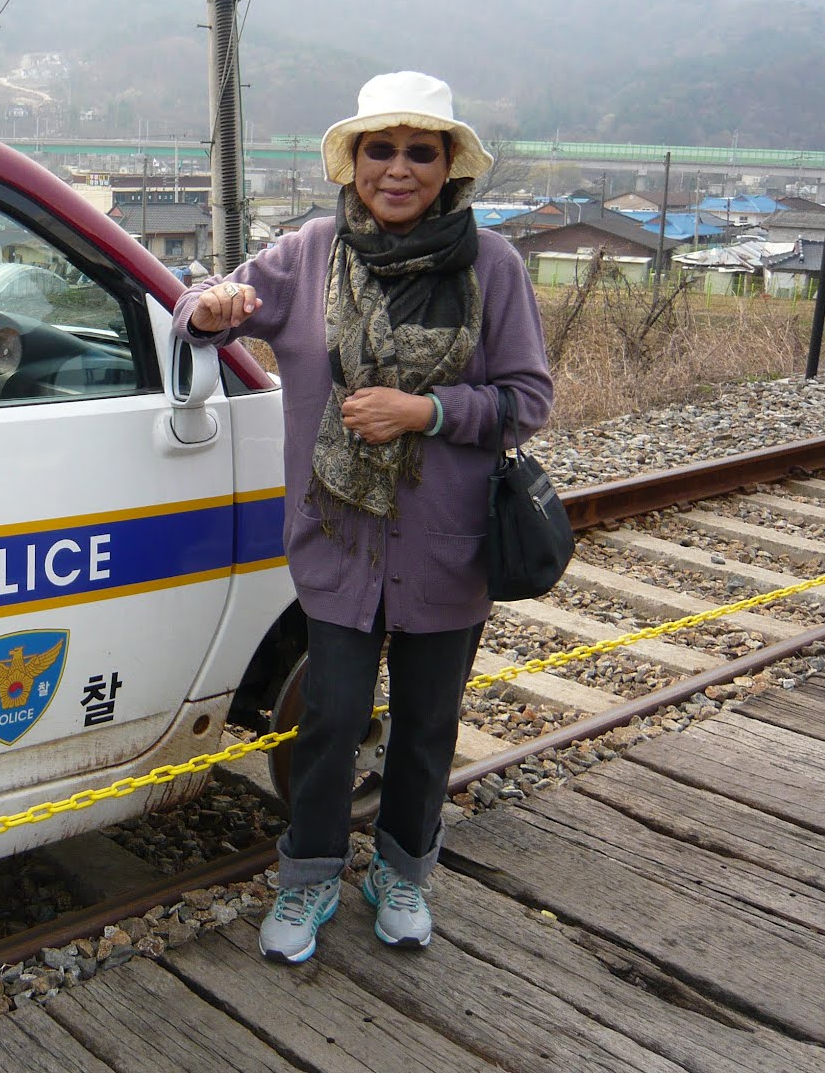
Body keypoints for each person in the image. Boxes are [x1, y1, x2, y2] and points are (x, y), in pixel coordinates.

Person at [173, 71, 552, 959]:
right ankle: (305, 883)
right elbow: (206, 313)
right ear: (354, 162)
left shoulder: (492, 266)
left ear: (449, 164)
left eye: (421, 151)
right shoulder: (307, 254)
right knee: (328, 721)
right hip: (337, 543)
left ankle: (402, 875)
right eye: (380, 149)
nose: (398, 169)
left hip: (446, 553)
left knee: (425, 727)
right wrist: (212, 308)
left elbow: (527, 399)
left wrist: (428, 412)